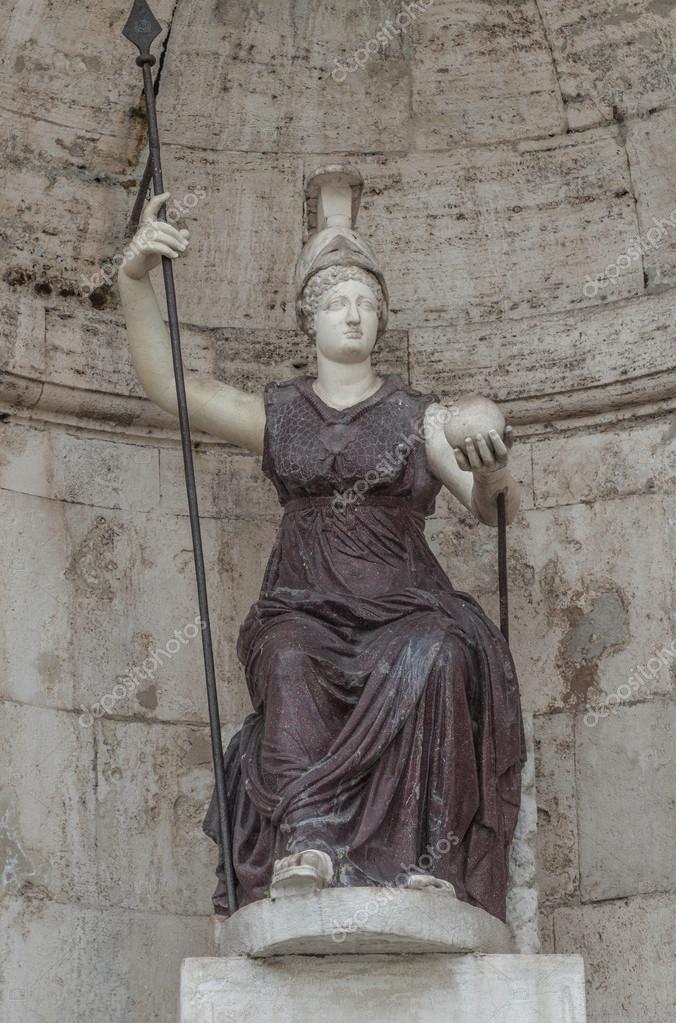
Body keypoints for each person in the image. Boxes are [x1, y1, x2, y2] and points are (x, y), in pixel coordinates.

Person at [117, 182, 525, 922]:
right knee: (286, 655)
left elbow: (490, 507)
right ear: (310, 318)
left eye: (366, 302)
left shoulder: (417, 415)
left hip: (403, 604)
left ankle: (426, 861)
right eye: (338, 301)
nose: (353, 314)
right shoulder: (278, 414)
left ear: (382, 317)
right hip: (303, 603)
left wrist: (492, 463)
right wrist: (135, 276)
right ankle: (306, 844)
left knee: (436, 652)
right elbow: (171, 387)